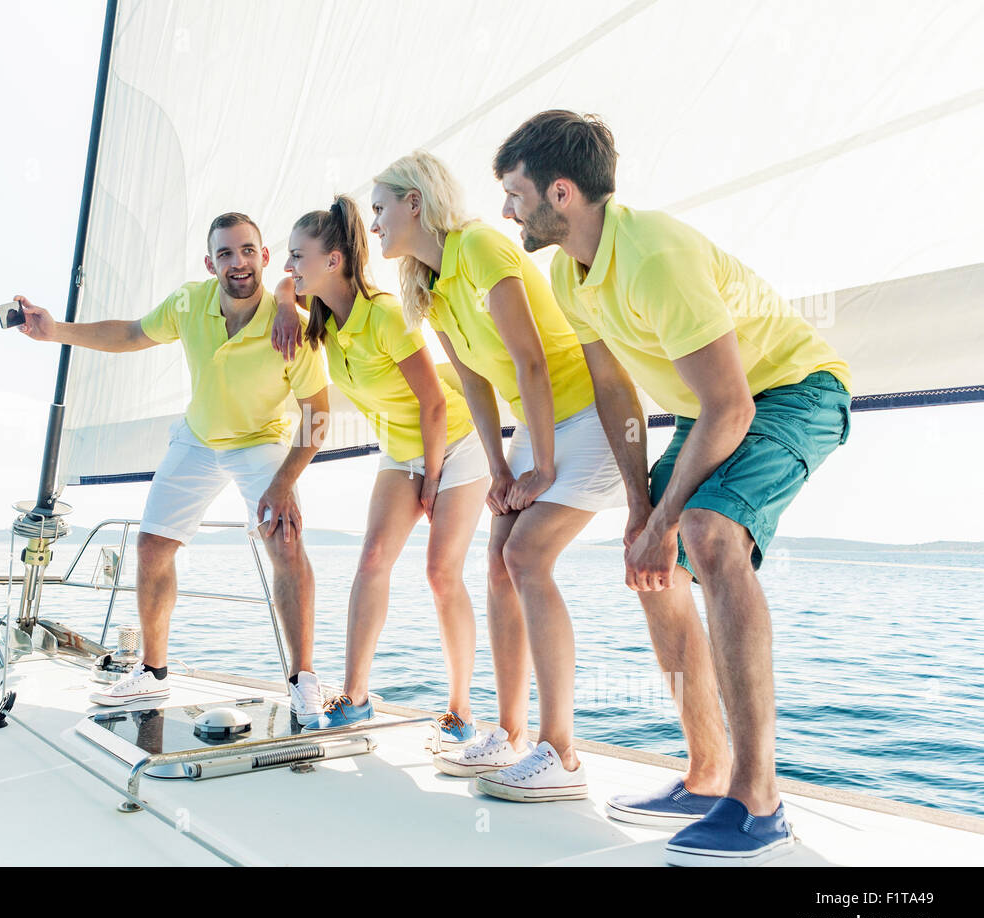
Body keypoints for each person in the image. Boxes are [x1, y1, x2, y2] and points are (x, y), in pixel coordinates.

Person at [494, 109, 852, 864]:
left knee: (707, 536)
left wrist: (668, 521)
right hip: (708, 409)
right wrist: (637, 508)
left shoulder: (653, 257)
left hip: (792, 389)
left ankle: (758, 803)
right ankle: (706, 771)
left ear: (562, 193)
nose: (508, 210)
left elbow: (734, 407)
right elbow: (614, 392)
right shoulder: (568, 272)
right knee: (650, 562)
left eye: (515, 193)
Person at [370, 151, 625, 799]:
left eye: (380, 209)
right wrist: (497, 469)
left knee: (526, 555)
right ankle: (509, 733)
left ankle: (561, 755)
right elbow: (477, 385)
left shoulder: (480, 246)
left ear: (415, 203)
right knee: (497, 558)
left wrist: (539, 467)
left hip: (588, 417)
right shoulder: (427, 283)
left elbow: (530, 361)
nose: (373, 225)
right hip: (533, 427)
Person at [15, 212, 331, 725]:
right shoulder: (189, 302)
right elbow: (133, 333)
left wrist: (285, 483)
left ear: (265, 256)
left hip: (262, 443)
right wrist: (55, 332)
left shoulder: (289, 321)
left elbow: (317, 416)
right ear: (211, 264)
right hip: (200, 438)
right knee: (152, 545)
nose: (238, 263)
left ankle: (304, 680)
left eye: (248, 251)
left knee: (286, 539)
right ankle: (151, 674)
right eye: (226, 254)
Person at [276, 195, 487, 745]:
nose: (290, 266)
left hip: (457, 443)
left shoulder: (388, 314)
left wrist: (434, 479)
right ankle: (356, 697)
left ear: (335, 260)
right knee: (371, 559)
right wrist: (282, 297)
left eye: (298, 256)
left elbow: (435, 403)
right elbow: (277, 290)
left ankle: (461, 710)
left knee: (442, 573)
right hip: (400, 450)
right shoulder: (325, 322)